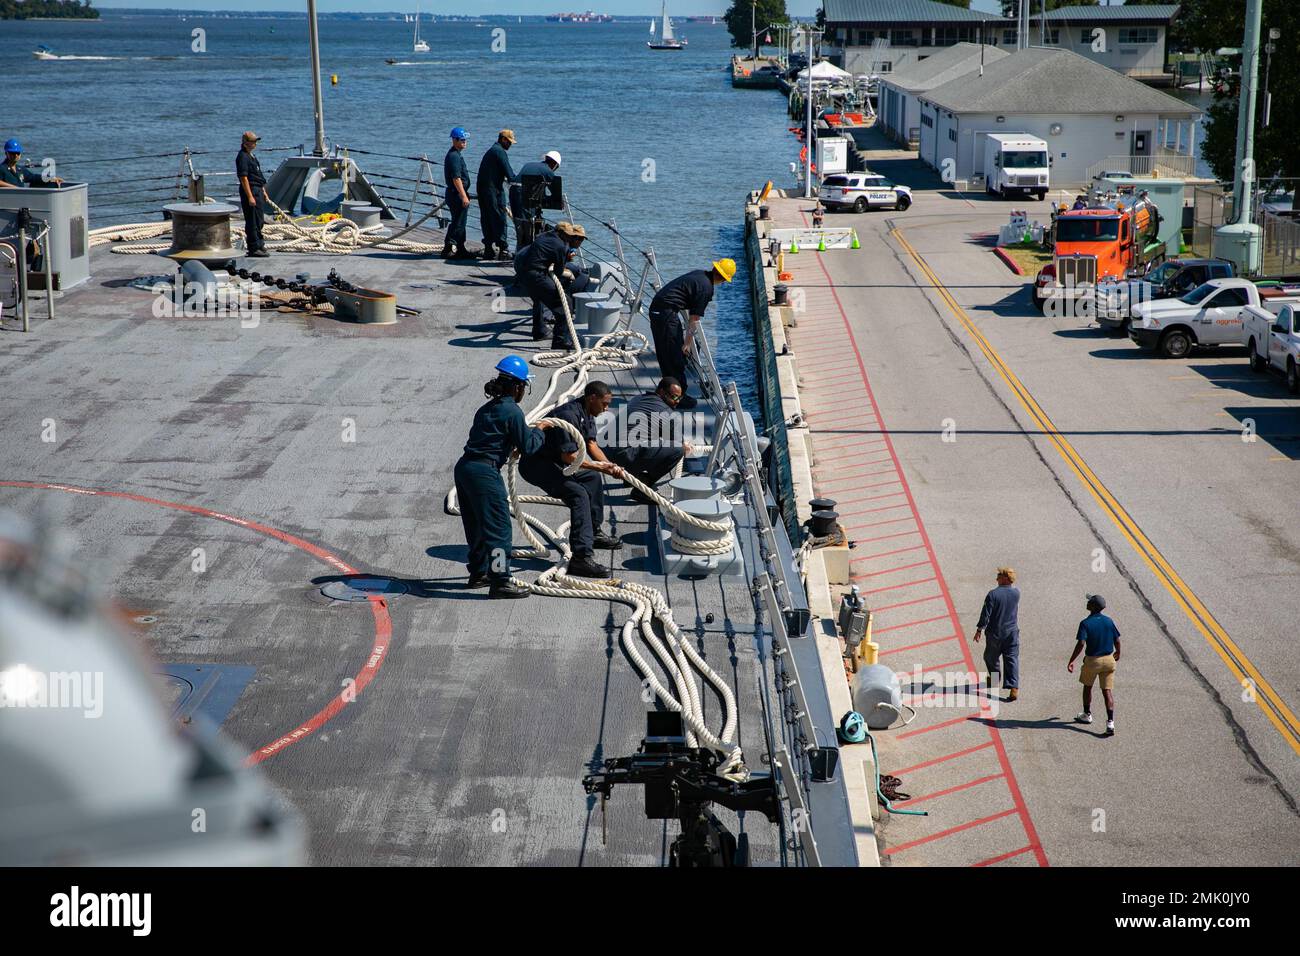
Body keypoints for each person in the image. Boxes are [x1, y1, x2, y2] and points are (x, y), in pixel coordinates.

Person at [453, 356, 553, 599]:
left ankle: (478, 573)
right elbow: (529, 446)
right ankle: (500, 580)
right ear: (519, 386)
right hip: (486, 474)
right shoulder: (513, 411)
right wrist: (540, 430)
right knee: (499, 530)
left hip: (465, 469)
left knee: (476, 526)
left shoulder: (486, 409)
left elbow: (493, 438)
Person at [520, 381, 624, 579]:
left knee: (592, 478)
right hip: (538, 465)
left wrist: (610, 466)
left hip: (558, 461)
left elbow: (591, 444)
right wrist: (599, 466)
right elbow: (569, 457)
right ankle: (581, 558)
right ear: (592, 398)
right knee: (578, 494)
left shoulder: (588, 411)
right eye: (605, 404)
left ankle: (593, 532)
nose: (607, 408)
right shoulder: (567, 415)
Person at [647, 259, 735, 410]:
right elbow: (694, 319)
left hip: (658, 309)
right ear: (723, 279)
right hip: (666, 314)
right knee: (675, 357)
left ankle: (667, 392)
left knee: (665, 354)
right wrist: (687, 343)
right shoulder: (707, 289)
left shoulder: (700, 274)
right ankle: (678, 397)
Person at [602, 376, 695, 502]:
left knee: (645, 436)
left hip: (604, 452)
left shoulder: (638, 398)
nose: (677, 401)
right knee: (678, 450)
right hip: (623, 456)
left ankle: (630, 477)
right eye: (674, 397)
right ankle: (642, 488)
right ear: (661, 392)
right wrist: (685, 447)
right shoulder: (670, 414)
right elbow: (676, 444)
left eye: (680, 398)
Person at [516, 221, 588, 346]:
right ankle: (560, 340)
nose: (569, 237)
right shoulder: (561, 246)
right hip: (537, 275)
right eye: (568, 235)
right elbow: (558, 271)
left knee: (538, 299)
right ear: (561, 233)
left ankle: (539, 332)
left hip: (523, 271)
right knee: (565, 303)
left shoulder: (545, 236)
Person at [1068, 594, 1121, 735]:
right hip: (1109, 660)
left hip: (1093, 660)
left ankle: (1087, 714)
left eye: (1090, 601)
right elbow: (1117, 640)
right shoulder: (1109, 621)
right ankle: (1110, 723)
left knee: (1087, 687)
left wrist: (1072, 660)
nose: (1088, 602)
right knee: (1107, 691)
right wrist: (1118, 653)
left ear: (1092, 607)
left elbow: (1081, 643)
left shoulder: (1085, 623)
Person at [972, 567, 1021, 702]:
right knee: (1011, 659)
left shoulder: (993, 594)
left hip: (995, 633)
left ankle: (994, 680)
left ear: (1005, 578)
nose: (997, 578)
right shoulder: (1017, 593)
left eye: (999, 575)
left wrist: (979, 630)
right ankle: (1013, 687)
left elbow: (986, 614)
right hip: (1012, 633)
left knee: (990, 657)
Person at [477, 129, 517, 261]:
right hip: (493, 190)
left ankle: (488, 248)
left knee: (487, 218)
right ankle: (503, 249)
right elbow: (510, 175)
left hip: (483, 189)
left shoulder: (492, 150)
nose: (510, 145)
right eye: (509, 142)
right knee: (500, 217)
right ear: (503, 139)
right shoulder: (500, 152)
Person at [509, 150, 560, 251]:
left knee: (519, 222)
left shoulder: (529, 164)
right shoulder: (548, 171)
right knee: (527, 225)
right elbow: (554, 193)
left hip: (513, 191)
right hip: (524, 195)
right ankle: (526, 251)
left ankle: (520, 249)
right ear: (554, 164)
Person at [236, 131, 270, 258]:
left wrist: (264, 192)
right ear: (245, 143)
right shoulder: (243, 157)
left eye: (256, 141)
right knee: (252, 220)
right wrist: (249, 196)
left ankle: (260, 244)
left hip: (257, 189)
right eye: (253, 141)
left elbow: (258, 176)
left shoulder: (252, 156)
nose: (255, 143)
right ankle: (253, 247)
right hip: (250, 190)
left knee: (259, 219)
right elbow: (244, 178)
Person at [442, 127, 474, 260]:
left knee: (461, 221)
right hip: (456, 194)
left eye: (465, 140)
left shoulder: (456, 154)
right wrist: (463, 195)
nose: (464, 142)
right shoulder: (454, 156)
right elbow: (456, 178)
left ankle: (461, 248)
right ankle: (448, 247)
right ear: (454, 140)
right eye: (462, 140)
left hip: (456, 193)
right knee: (458, 222)